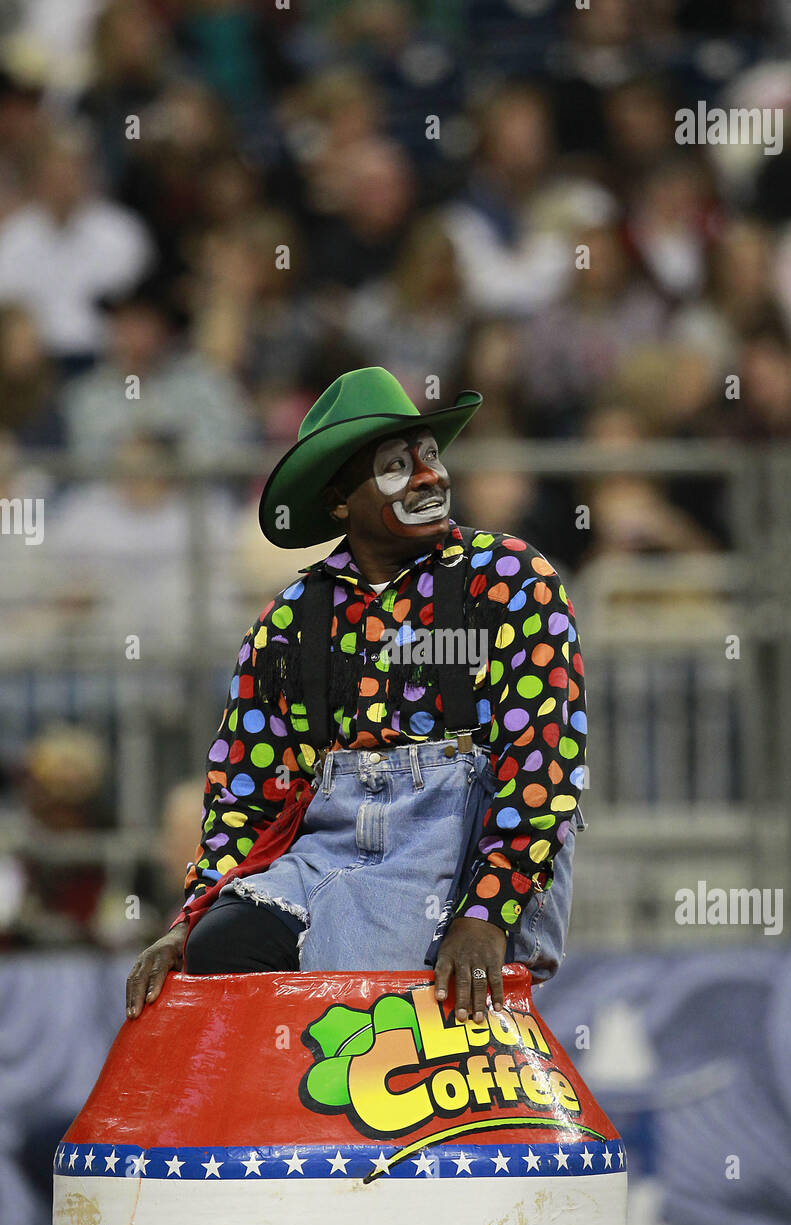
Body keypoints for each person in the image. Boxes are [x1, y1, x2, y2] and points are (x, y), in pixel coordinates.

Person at [126, 367, 586, 1025]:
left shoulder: (512, 581)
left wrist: (485, 912)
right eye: (398, 466)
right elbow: (244, 795)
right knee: (221, 948)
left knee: (353, 967)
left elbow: (543, 766)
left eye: (430, 455)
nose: (431, 477)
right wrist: (189, 921)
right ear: (340, 500)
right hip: (326, 855)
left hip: (459, 858)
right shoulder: (288, 621)